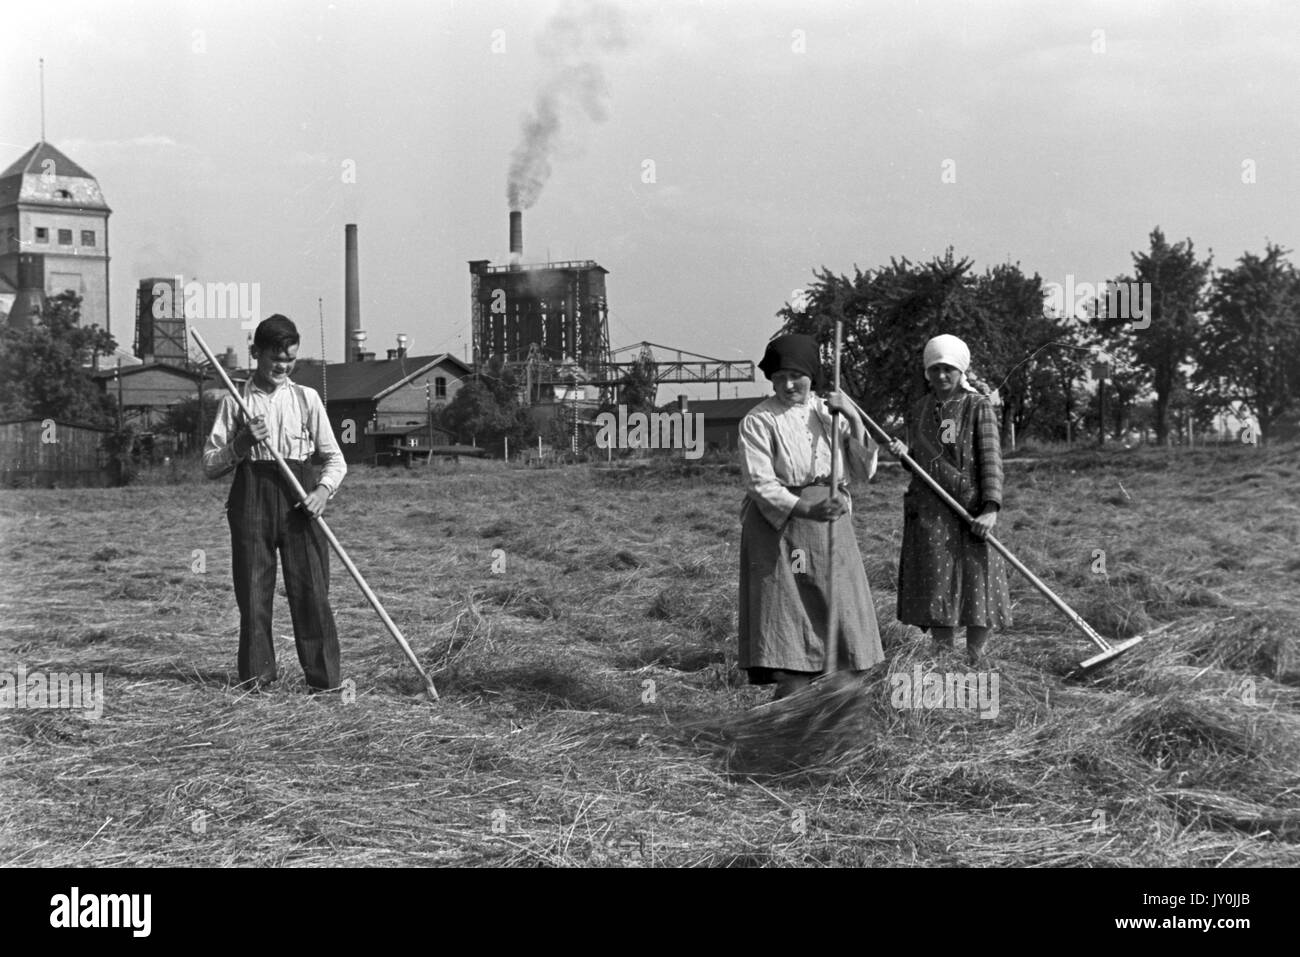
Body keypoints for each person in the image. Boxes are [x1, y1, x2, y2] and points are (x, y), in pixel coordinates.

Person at [203, 315, 347, 693]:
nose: (282, 366)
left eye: (290, 359)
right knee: (253, 593)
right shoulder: (236, 402)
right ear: (256, 353)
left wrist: (322, 491)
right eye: (274, 358)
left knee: (312, 591)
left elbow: (335, 459)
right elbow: (209, 464)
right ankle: (257, 679)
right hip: (251, 497)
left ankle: (325, 681)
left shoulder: (307, 398)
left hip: (300, 499)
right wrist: (241, 444)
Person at [737, 333, 885, 700]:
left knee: (841, 633)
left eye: (797, 376)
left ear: (812, 376)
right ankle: (787, 727)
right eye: (780, 377)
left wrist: (851, 414)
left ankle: (837, 723)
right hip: (780, 530)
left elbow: (864, 470)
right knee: (791, 643)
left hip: (832, 525)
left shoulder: (828, 413)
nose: (789, 385)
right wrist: (806, 509)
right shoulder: (758, 421)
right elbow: (760, 484)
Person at [886, 334, 1011, 664]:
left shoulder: (977, 406)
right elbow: (921, 462)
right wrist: (903, 454)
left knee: (977, 585)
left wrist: (990, 508)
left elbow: (991, 459)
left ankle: (976, 661)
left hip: (971, 513)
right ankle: (942, 662)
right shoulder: (920, 409)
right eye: (934, 369)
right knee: (939, 586)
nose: (941, 376)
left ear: (960, 370)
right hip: (931, 513)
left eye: (948, 369)